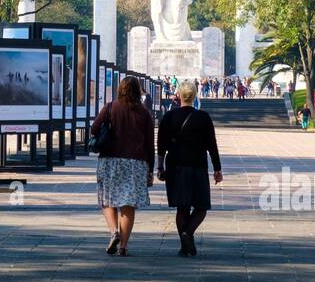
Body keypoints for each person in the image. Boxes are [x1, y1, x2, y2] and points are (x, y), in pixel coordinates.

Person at [89, 75, 155, 257]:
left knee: (107, 198)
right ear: (138, 91)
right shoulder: (144, 113)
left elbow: (94, 129)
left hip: (110, 160)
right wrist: (151, 170)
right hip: (135, 163)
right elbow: (150, 143)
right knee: (128, 204)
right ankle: (124, 246)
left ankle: (113, 232)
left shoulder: (110, 107)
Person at [157, 81, 223, 257]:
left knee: (182, 207)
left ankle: (184, 243)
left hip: (175, 166)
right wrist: (217, 169)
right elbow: (212, 145)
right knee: (201, 206)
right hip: (197, 165)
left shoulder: (169, 117)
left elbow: (161, 144)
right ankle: (188, 234)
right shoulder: (203, 117)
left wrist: (159, 167)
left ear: (178, 95)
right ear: (194, 96)